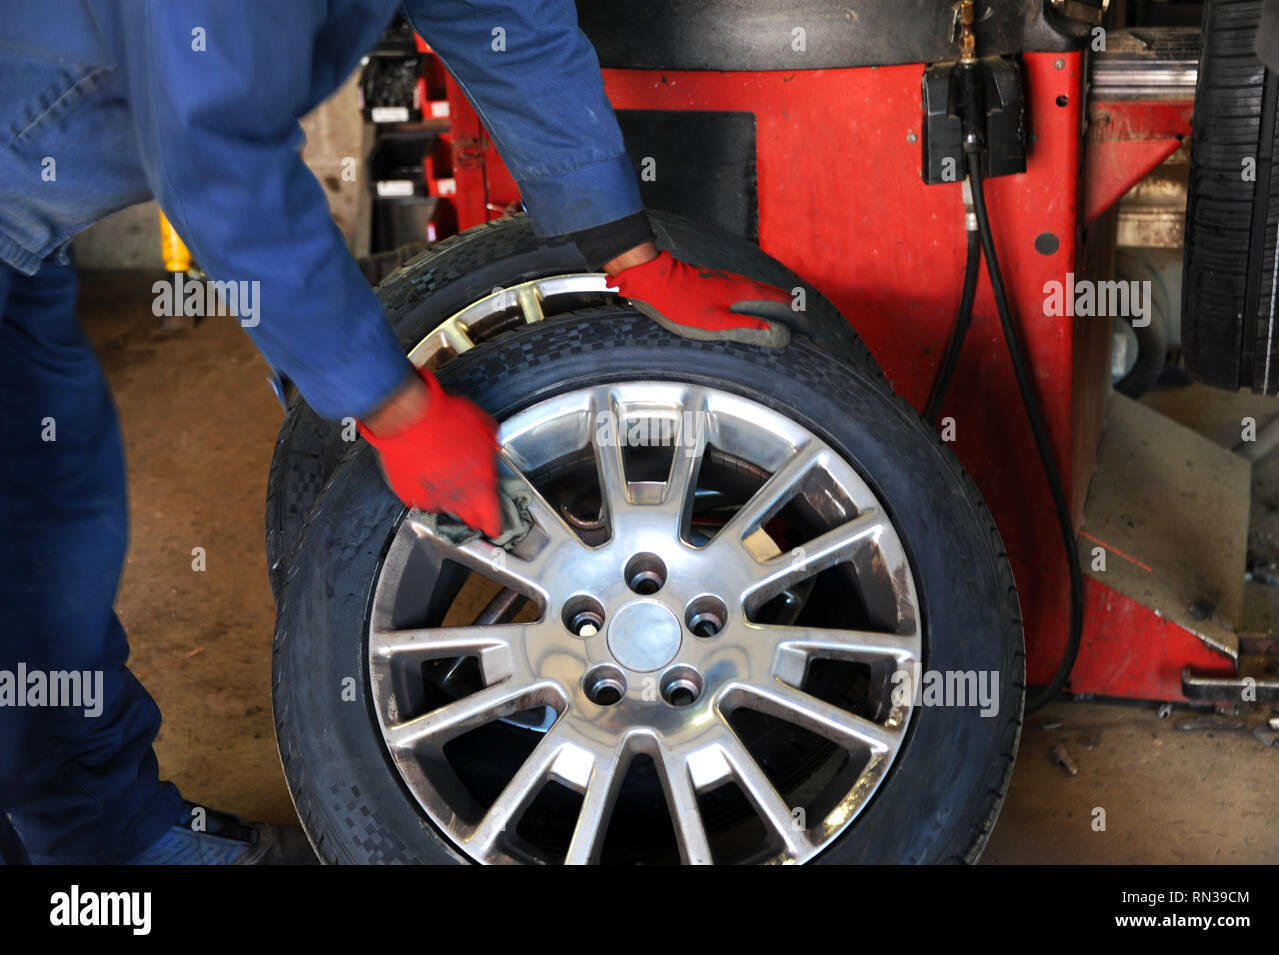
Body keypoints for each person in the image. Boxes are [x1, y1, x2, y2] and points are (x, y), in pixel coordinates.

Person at [0, 0, 796, 865]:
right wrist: (389, 403)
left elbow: (506, 17)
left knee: (49, 549)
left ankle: (108, 841)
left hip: (26, 219)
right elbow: (217, 159)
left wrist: (626, 248)